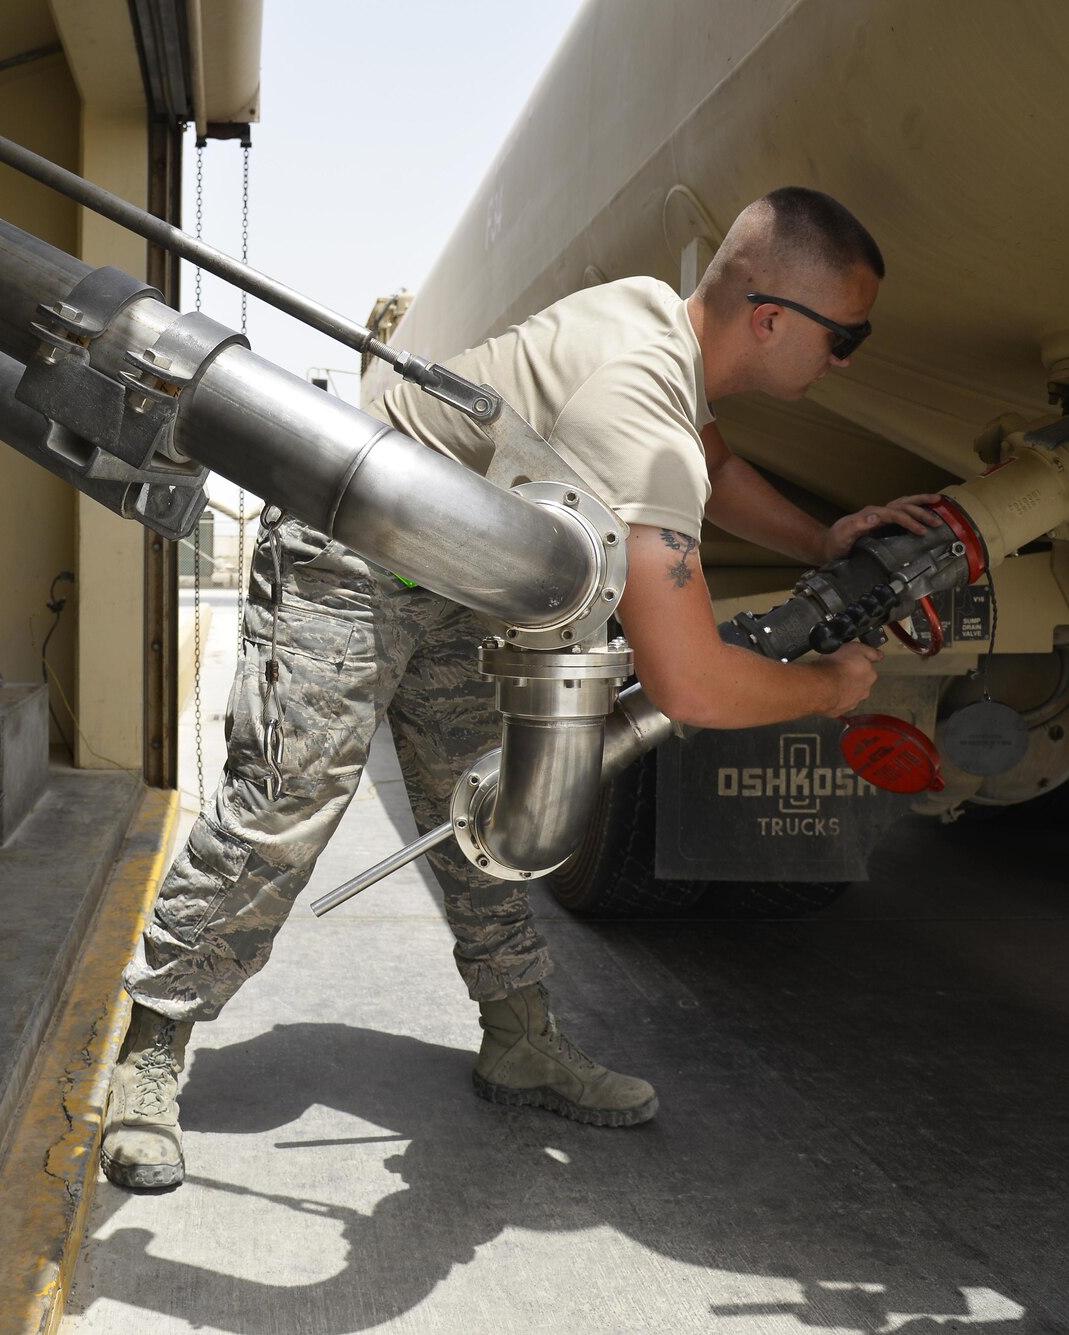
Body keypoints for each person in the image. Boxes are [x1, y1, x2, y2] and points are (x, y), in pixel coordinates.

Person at [102, 186, 944, 1191]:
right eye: (845, 337)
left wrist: (822, 539)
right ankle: (152, 1047)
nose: (847, 360)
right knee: (286, 806)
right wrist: (828, 687)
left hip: (458, 575)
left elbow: (711, 463)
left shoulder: (655, 320)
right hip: (348, 555)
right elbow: (690, 684)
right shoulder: (639, 408)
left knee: (492, 812)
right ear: (769, 320)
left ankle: (518, 1039)